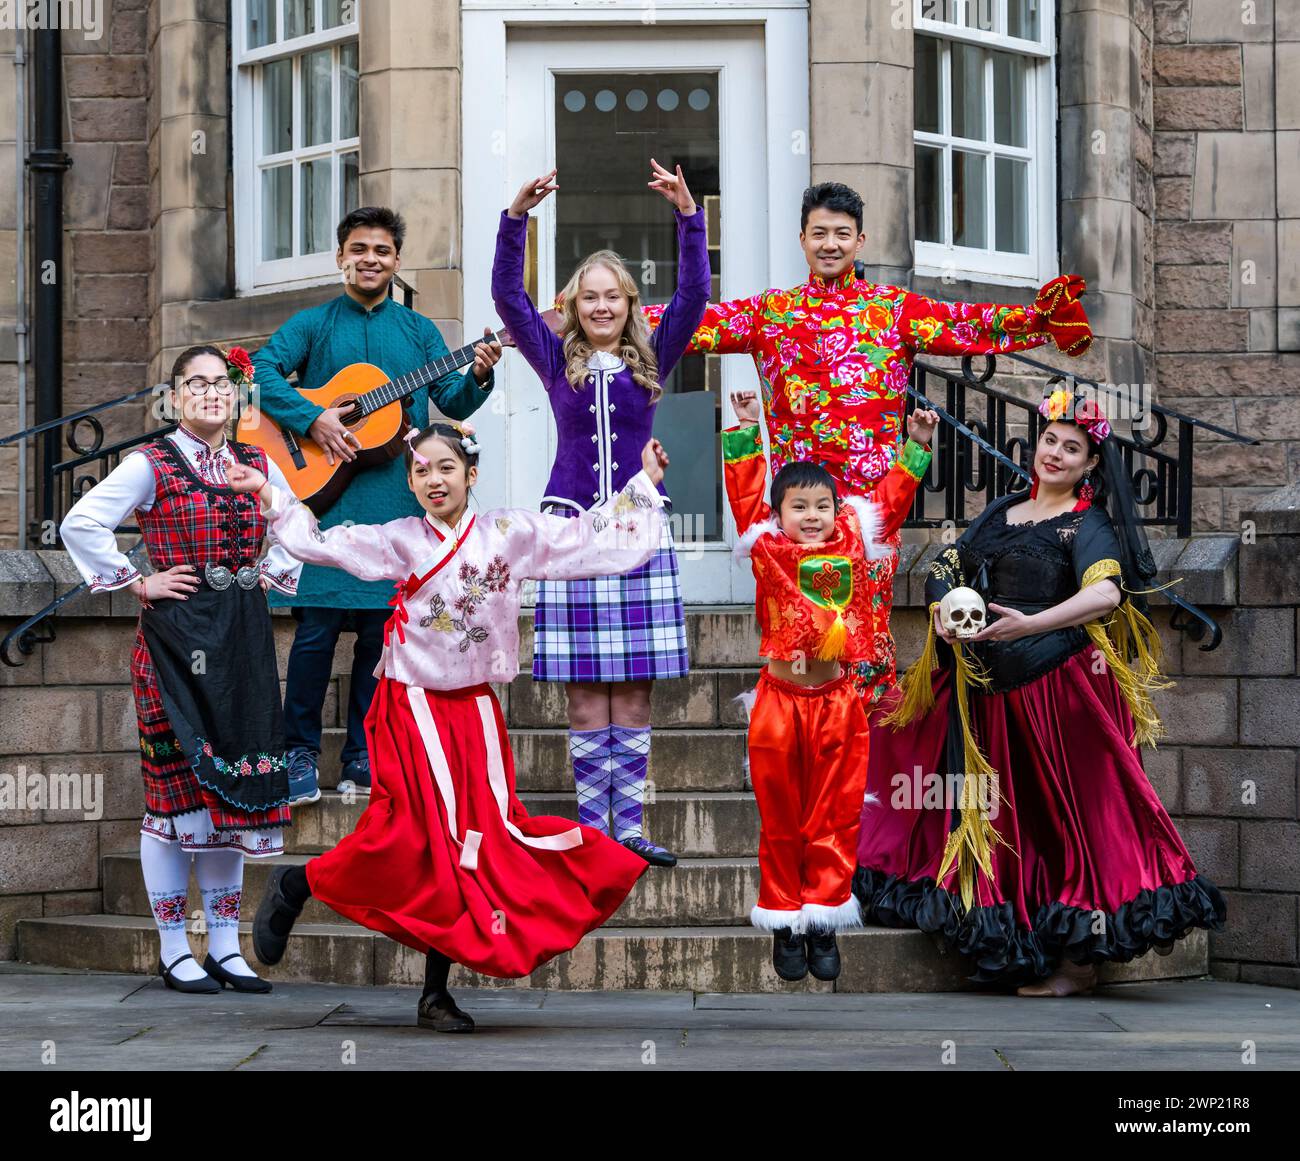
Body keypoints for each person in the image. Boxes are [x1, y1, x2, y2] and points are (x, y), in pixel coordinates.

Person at [237, 422, 672, 1032]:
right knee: (424, 838)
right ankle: (301, 885)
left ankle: (431, 990)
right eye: (421, 471)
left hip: (473, 708)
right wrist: (271, 491)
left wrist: (644, 487)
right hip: (409, 702)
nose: (433, 479)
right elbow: (320, 544)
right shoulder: (400, 540)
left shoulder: (509, 533)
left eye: (446, 467)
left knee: (478, 842)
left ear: (471, 475)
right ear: (411, 483)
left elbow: (584, 539)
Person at [645, 181, 1094, 707]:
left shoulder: (892, 311)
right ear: (802, 240)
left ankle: (865, 781)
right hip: (798, 518)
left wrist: (1039, 320)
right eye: (819, 234)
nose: (829, 244)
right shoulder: (772, 314)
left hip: (872, 516)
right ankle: (803, 769)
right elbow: (684, 324)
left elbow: (967, 324)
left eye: (842, 234)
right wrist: (584, 319)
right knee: (800, 651)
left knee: (866, 652)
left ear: (861, 241)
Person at [854, 389, 1228, 995]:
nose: (1055, 453)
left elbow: (1105, 595)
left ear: (1088, 466)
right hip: (985, 695)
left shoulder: (1088, 524)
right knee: (1005, 821)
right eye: (1051, 440)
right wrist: (945, 611)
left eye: (1071, 448)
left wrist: (1032, 623)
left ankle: (1079, 964)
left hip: (1055, 692)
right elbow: (946, 569)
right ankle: (1019, 946)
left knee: (1067, 821)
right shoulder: (1002, 511)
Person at [59, 345, 305, 995]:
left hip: (241, 646)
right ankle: (174, 947)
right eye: (196, 383)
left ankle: (223, 945)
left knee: (227, 793)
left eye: (222, 382)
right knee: (173, 799)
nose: (212, 392)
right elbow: (81, 521)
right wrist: (134, 581)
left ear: (235, 394)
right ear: (174, 398)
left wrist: (275, 574)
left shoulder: (256, 462)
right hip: (171, 648)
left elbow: (296, 522)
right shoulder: (152, 463)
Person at [491, 162, 710, 866]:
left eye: (613, 295)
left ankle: (631, 827)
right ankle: (593, 830)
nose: (602, 306)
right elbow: (508, 299)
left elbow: (696, 292)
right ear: (576, 305)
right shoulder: (556, 360)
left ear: (628, 301)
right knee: (587, 695)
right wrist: (514, 220)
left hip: (640, 529)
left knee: (634, 694)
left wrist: (688, 217)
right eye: (590, 296)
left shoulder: (656, 353)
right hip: (572, 532)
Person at [252, 206, 503, 803]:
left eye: (383, 250)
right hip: (327, 508)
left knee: (380, 637)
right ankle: (299, 756)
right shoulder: (312, 325)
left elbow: (454, 401)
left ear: (396, 260)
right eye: (359, 248)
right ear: (342, 257)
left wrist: (483, 375)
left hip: (396, 498)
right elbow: (259, 373)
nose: (371, 259)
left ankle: (364, 756)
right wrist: (312, 418)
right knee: (315, 634)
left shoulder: (417, 332)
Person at [722, 387, 937, 982]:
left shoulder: (851, 540)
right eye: (798, 506)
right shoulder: (766, 548)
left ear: (837, 510)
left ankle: (822, 919)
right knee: (783, 813)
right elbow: (743, 497)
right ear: (779, 513)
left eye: (822, 505)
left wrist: (915, 448)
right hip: (779, 705)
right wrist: (745, 428)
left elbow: (889, 505)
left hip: (839, 703)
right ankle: (784, 920)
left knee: (836, 814)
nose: (811, 516)